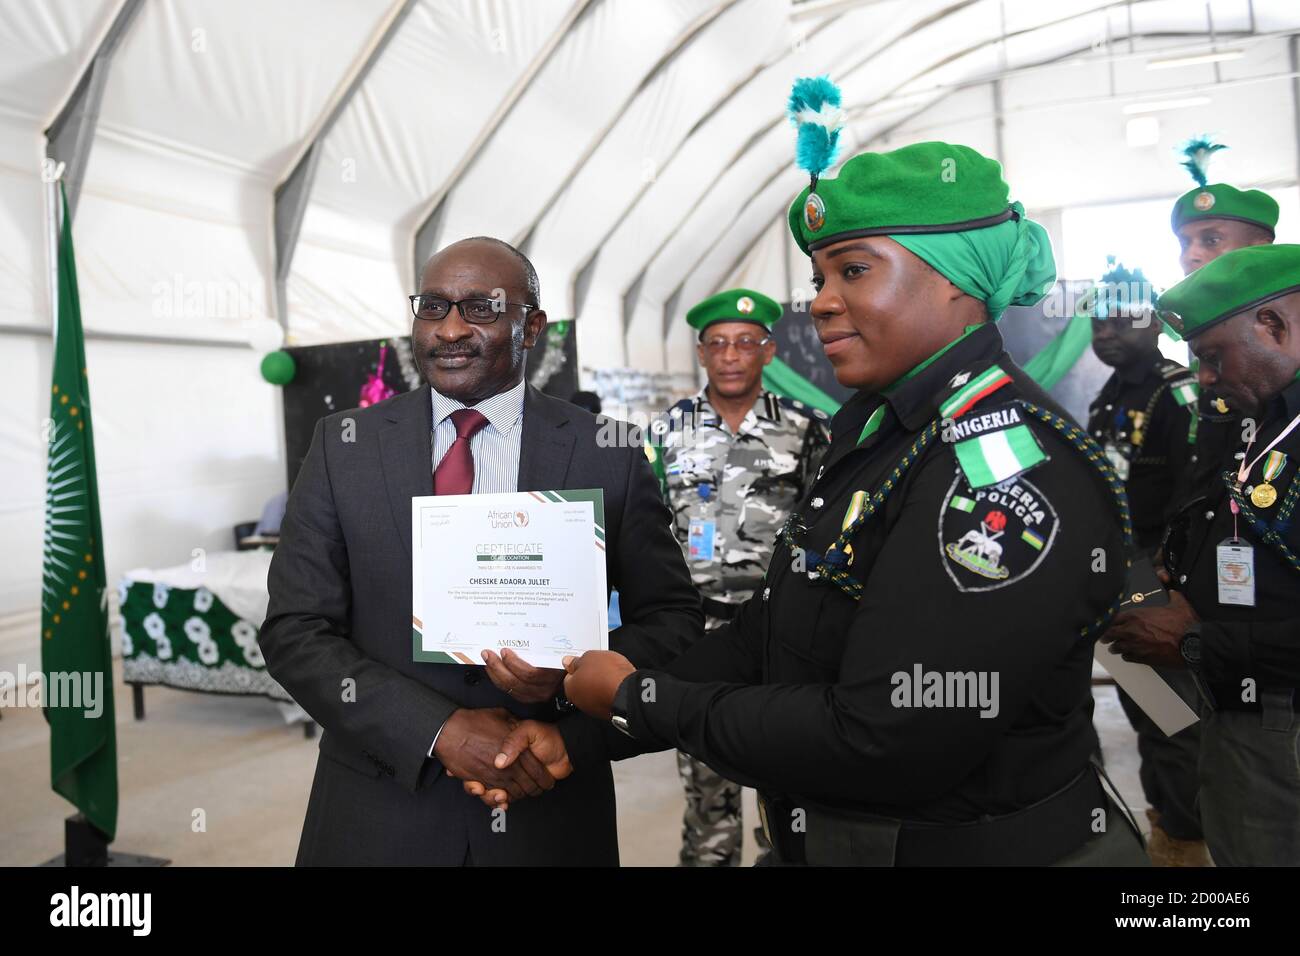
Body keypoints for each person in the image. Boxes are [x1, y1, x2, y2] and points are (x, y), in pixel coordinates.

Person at [491, 126, 1148, 864]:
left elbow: (887, 733)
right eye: (819, 281)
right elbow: (767, 637)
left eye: (854, 271)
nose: (823, 305)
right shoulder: (885, 435)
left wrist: (638, 699)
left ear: (956, 277)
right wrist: (579, 726)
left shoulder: (997, 470)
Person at [259, 236, 702, 865]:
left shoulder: (608, 450)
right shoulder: (345, 447)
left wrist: (575, 688)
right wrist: (437, 730)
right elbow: (294, 630)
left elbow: (674, 623)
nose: (450, 330)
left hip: (548, 809)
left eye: (482, 309)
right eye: (433, 307)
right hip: (379, 814)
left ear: (533, 327)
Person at [1104, 244, 1300, 866]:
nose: (1206, 378)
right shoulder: (1269, 417)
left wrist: (1194, 643)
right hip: (1240, 706)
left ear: (1274, 326)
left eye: (1214, 358)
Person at [658, 288, 830, 866]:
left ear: (769, 352)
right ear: (702, 354)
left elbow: (827, 526)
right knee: (705, 783)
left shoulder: (807, 429)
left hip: (782, 632)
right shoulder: (665, 434)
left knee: (790, 776)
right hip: (698, 633)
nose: (732, 355)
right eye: (719, 344)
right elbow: (646, 531)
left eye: (746, 343)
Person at [1085, 260, 1205, 866]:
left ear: (1153, 321)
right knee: (1147, 716)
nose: (1104, 331)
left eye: (1120, 319)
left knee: (1173, 722)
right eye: (1095, 321)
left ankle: (1187, 847)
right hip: (1120, 577)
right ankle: (1166, 826)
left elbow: (1197, 500)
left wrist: (1162, 584)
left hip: (1160, 583)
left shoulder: (1178, 392)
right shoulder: (1109, 397)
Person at [1170, 138, 1278, 508]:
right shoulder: (1202, 334)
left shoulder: (1285, 332)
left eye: (1211, 239)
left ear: (1260, 246)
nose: (1192, 255)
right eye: (1184, 243)